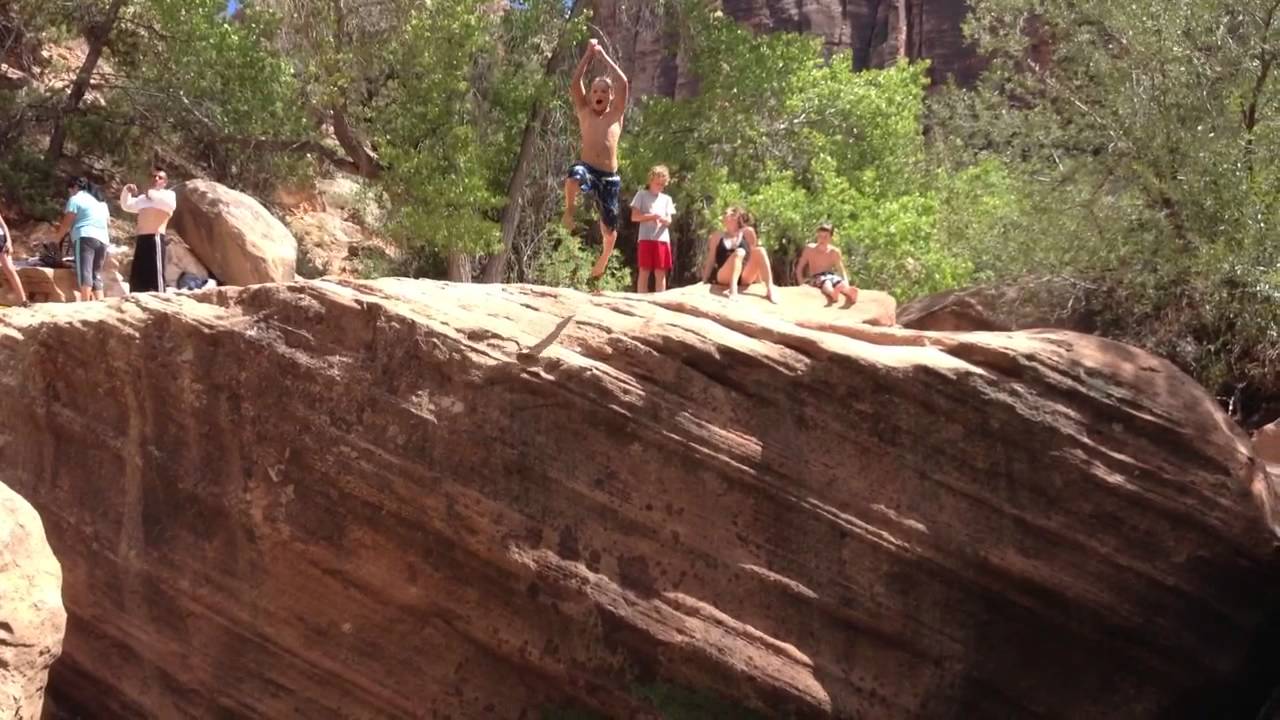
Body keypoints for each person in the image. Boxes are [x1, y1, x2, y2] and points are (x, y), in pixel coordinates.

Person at [563, 38, 629, 285]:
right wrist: (588, 55)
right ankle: (569, 211)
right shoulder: (584, 111)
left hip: (609, 178)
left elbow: (622, 82)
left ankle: (604, 256)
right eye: (595, 91)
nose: (598, 94)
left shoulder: (615, 114)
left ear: (611, 97)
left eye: (604, 91)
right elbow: (575, 82)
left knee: (609, 231)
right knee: (573, 176)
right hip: (589, 169)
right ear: (590, 96)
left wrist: (602, 55)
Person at [701, 207, 777, 303]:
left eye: (728, 214)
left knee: (760, 250)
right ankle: (733, 290)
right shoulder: (717, 236)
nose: (725, 215)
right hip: (724, 275)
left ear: (736, 217)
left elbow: (754, 256)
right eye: (725, 213)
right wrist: (704, 280)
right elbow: (711, 260)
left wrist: (758, 282)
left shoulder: (748, 232)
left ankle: (770, 288)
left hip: (744, 275)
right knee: (739, 252)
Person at [120, 164, 177, 293]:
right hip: (141, 239)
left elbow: (169, 205)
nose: (156, 179)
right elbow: (127, 206)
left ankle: (160, 297)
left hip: (155, 238)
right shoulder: (143, 199)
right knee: (138, 275)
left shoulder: (168, 195)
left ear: (165, 182)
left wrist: (150, 192)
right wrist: (126, 191)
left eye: (160, 177)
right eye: (153, 176)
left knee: (155, 275)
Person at [53, 177, 111, 301]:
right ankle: (101, 303)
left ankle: (85, 304)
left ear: (74, 187)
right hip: (103, 239)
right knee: (95, 274)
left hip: (85, 236)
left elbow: (67, 223)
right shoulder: (98, 202)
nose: (70, 193)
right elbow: (108, 222)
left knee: (84, 272)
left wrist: (56, 239)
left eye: (70, 190)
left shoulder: (75, 199)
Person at [631, 165, 675, 293]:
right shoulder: (641, 195)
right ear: (650, 180)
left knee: (660, 272)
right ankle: (641, 299)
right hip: (645, 238)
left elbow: (669, 220)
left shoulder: (667, 199)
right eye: (657, 183)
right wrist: (651, 217)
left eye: (662, 184)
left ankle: (660, 299)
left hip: (662, 239)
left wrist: (664, 220)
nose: (659, 186)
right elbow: (634, 217)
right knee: (644, 270)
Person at [796, 223, 859, 307]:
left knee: (839, 282)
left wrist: (846, 283)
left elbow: (841, 270)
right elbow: (799, 268)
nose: (822, 239)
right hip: (816, 277)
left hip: (830, 275)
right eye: (820, 236)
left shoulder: (834, 252)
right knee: (826, 282)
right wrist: (801, 283)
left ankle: (849, 292)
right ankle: (832, 293)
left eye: (825, 237)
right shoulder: (809, 249)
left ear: (830, 238)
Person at [0, 213, 29, 307]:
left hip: (1, 240)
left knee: (9, 269)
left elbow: (4, 226)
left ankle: (23, 300)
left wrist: (9, 241)